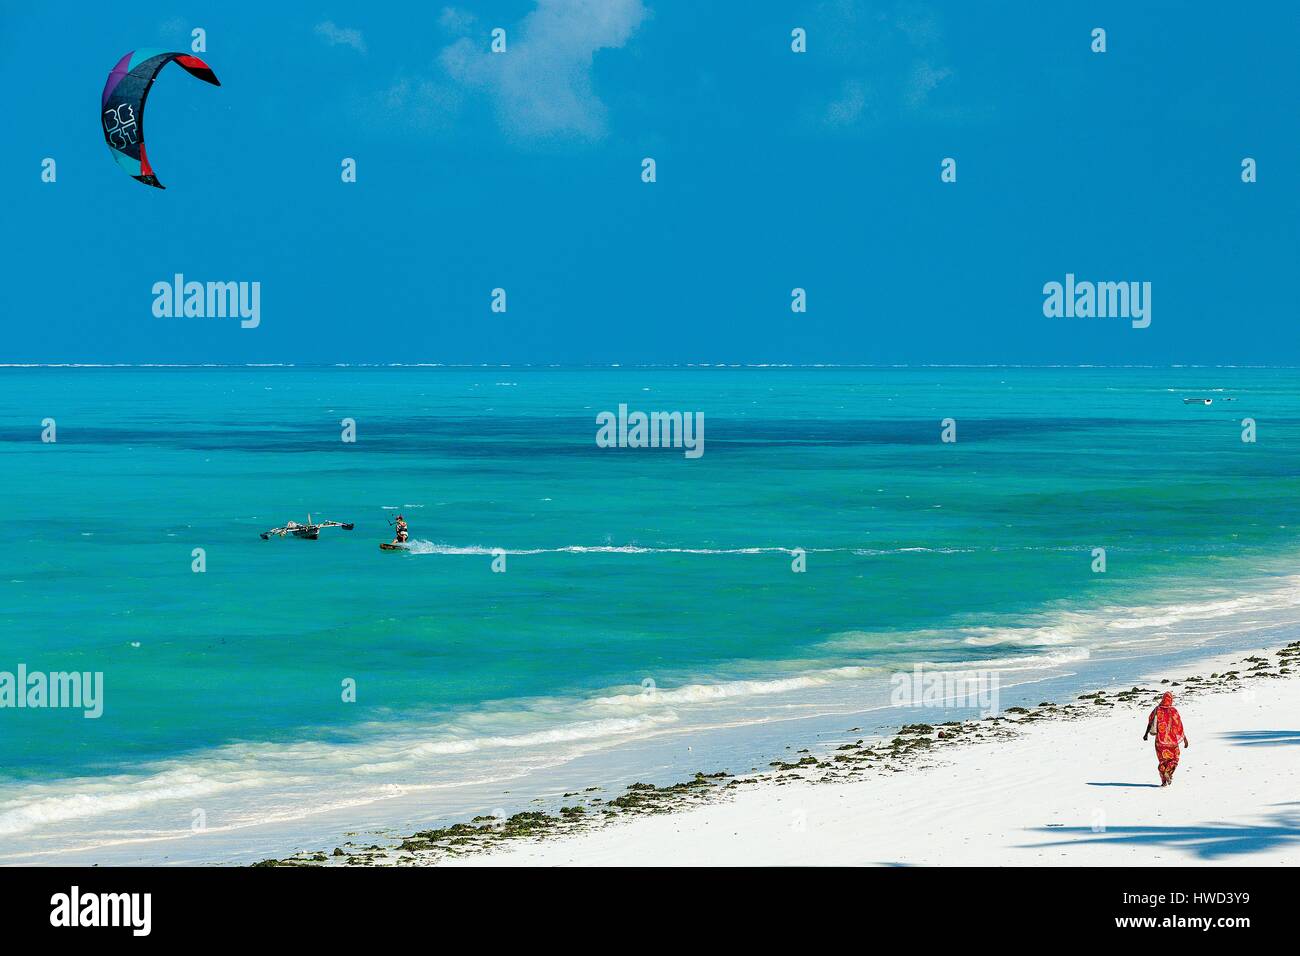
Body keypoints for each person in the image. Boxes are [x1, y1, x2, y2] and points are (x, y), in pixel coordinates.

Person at [1143, 692, 1189, 786]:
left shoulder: (1157, 709)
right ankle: (1168, 772)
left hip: (1160, 741)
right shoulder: (1173, 711)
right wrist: (1184, 738)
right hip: (1172, 741)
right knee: (1175, 758)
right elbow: (1179, 725)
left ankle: (1163, 782)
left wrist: (1146, 734)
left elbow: (1150, 722)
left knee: (1162, 761)